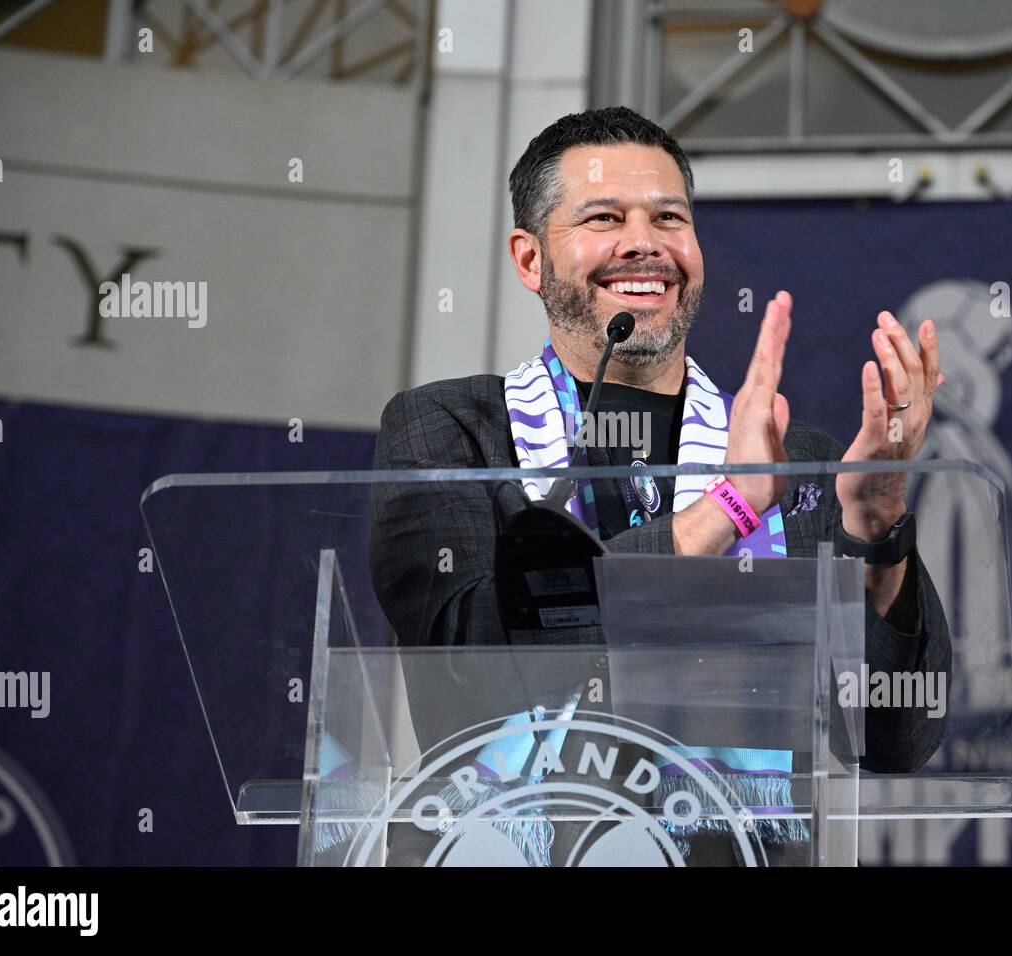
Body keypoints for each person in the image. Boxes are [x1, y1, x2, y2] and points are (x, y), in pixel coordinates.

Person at [370, 106, 950, 801]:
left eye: (669, 218)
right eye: (604, 219)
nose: (645, 244)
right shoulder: (455, 429)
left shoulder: (798, 460)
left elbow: (896, 736)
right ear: (530, 258)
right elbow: (463, 668)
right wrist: (723, 512)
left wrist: (877, 529)